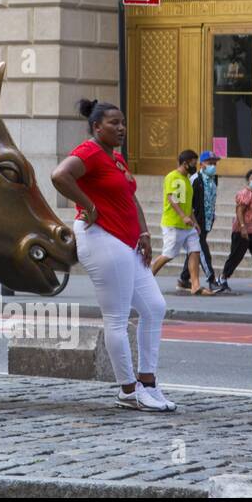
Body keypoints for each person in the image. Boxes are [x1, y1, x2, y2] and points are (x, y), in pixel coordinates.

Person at [51, 99, 174, 412]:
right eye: (113, 123)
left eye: (123, 123)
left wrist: (144, 233)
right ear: (96, 127)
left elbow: (129, 198)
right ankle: (129, 391)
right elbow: (59, 175)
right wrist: (89, 206)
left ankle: (148, 383)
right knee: (117, 318)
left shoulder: (115, 158)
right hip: (101, 238)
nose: (121, 129)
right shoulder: (89, 152)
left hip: (128, 241)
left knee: (155, 308)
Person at [151, 150, 213, 295]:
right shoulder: (173, 177)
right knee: (169, 254)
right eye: (193, 163)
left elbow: (188, 204)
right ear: (185, 163)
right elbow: (171, 198)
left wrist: (194, 221)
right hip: (173, 224)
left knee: (195, 251)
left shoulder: (186, 180)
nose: (195, 166)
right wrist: (182, 216)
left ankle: (196, 286)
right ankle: (145, 279)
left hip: (188, 225)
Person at [179, 150, 219, 291]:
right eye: (210, 163)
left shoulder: (215, 178)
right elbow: (188, 203)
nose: (213, 166)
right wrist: (192, 219)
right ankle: (212, 279)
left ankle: (184, 279)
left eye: (214, 163)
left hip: (207, 221)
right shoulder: (195, 180)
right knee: (202, 250)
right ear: (201, 164)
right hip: (195, 221)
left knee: (195, 250)